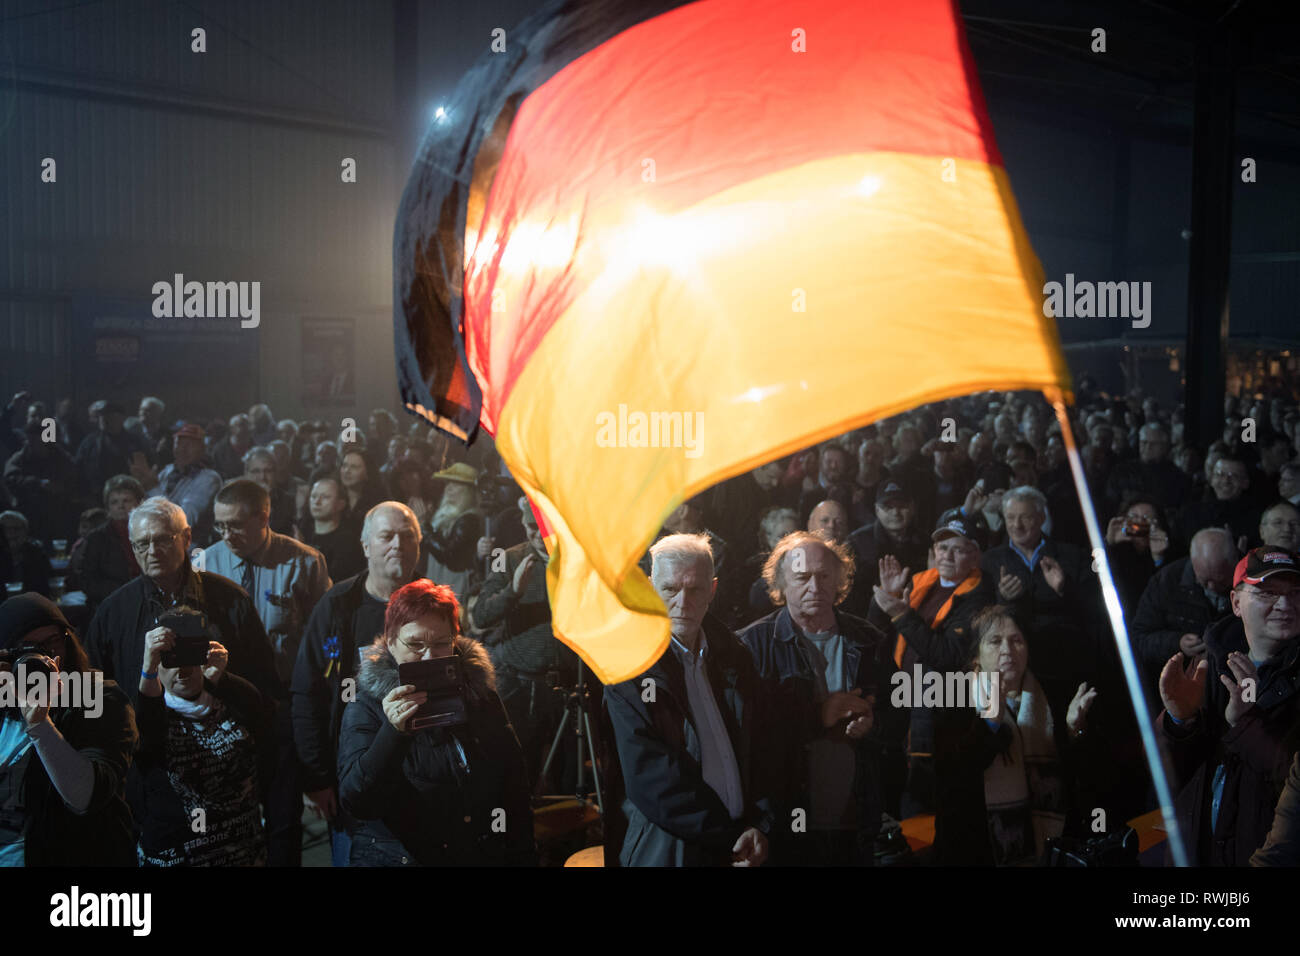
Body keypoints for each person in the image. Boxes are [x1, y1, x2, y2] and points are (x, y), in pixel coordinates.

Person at [338, 579, 535, 865]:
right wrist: (393, 734)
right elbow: (358, 801)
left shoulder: (478, 692)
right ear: (391, 642)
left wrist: (522, 855)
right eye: (416, 644)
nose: (429, 656)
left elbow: (513, 783)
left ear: (455, 640)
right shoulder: (367, 702)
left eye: (441, 644)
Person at [606, 533, 773, 867]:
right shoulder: (629, 669)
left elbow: (762, 747)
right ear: (651, 587)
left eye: (694, 589)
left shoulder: (734, 655)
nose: (683, 602)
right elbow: (653, 780)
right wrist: (728, 835)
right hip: (670, 848)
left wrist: (760, 823)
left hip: (740, 842)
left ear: (712, 590)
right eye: (670, 589)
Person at [739, 531, 899, 864]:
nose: (815, 587)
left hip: (854, 819)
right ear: (781, 584)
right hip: (786, 819)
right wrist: (817, 716)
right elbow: (747, 737)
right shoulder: (750, 647)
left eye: (824, 576)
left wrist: (873, 724)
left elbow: (899, 716)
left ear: (840, 581)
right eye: (802, 577)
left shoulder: (870, 641)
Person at [202, 478, 330, 865]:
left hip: (281, 703)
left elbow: (327, 638)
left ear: (264, 517)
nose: (227, 535)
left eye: (236, 525)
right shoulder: (205, 561)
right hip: (224, 706)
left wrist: (323, 689)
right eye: (220, 525)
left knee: (282, 812)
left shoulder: (305, 562)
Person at [292, 501, 424, 866]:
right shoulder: (337, 607)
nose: (397, 544)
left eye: (407, 535)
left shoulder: (435, 604)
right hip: (354, 776)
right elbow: (307, 692)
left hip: (424, 777)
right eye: (387, 536)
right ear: (366, 546)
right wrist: (316, 778)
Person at [1158, 547, 1300, 865]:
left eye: (1295, 593)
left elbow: (1289, 783)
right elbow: (1166, 777)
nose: (1285, 605)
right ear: (1236, 603)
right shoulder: (1208, 667)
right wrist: (1179, 722)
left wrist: (1246, 725)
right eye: (1267, 593)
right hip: (1198, 850)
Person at [932, 605, 1096, 865]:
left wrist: (1073, 730)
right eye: (995, 642)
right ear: (976, 655)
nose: (1007, 650)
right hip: (978, 850)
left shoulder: (1053, 697)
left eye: (1016, 640)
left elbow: (1078, 781)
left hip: (1051, 848)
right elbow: (951, 783)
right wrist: (989, 726)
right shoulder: (954, 699)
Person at [83, 496, 278, 707]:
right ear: (132, 547)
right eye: (141, 544)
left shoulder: (230, 599)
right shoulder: (114, 611)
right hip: (144, 734)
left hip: (222, 729)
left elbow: (264, 681)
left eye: (163, 540)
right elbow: (90, 690)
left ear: (187, 538)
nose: (152, 551)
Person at [870, 508, 995, 815]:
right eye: (942, 547)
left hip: (942, 714)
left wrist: (900, 613)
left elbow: (947, 656)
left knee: (929, 799)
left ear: (975, 556)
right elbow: (875, 634)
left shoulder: (980, 599)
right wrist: (883, 600)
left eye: (958, 548)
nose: (947, 555)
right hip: (902, 704)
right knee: (899, 790)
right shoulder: (921, 583)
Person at [0, 592, 138, 865]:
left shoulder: (100, 699)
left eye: (52, 642)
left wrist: (40, 723)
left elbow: (86, 797)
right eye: (28, 649)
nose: (45, 658)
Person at [132, 611, 274, 866]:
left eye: (188, 654)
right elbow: (146, 728)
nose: (181, 667)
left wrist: (220, 675)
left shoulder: (231, 697)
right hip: (179, 858)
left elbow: (261, 714)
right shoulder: (151, 714)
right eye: (169, 659)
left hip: (242, 853)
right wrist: (148, 669)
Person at [979, 486, 1098, 708]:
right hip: (1013, 668)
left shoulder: (1071, 556)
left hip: (1064, 662)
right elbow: (981, 618)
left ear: (1041, 517)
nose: (1017, 525)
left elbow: (1096, 610)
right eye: (1011, 518)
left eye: (1025, 517)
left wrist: (1065, 589)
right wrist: (1004, 600)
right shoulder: (990, 561)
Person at [1130, 528, 1238, 710]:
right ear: (1193, 563)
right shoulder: (1165, 582)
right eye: (1205, 580)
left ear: (1235, 562)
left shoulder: (1250, 577)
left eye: (1220, 580)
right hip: (1184, 689)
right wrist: (1176, 643)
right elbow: (1139, 638)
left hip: (1237, 683)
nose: (1212, 587)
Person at [843, 481, 930, 618]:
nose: (896, 512)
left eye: (902, 506)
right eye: (888, 507)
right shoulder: (857, 543)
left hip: (914, 618)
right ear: (877, 510)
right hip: (868, 621)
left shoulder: (925, 543)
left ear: (913, 508)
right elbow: (847, 595)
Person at [4, 412, 78, 545]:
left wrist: (61, 487)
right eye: (31, 439)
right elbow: (10, 478)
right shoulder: (21, 457)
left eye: (37, 439)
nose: (33, 443)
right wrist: (38, 483)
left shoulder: (59, 456)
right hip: (30, 512)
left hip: (57, 513)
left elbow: (74, 476)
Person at [146, 423, 223, 545]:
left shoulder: (209, 478)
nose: (182, 449)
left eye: (189, 445)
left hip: (192, 552)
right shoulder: (167, 471)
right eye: (178, 444)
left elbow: (185, 520)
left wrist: (152, 488)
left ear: (202, 449)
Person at [79, 475, 145, 611]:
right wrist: (125, 593)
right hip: (112, 606)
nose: (121, 506)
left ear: (138, 504)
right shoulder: (96, 538)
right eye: (114, 502)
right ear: (108, 508)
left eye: (126, 500)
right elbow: (88, 582)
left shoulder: (150, 533)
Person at [423, 463, 485, 604]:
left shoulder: (469, 520)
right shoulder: (452, 515)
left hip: (454, 590)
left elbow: (449, 555)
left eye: (456, 485)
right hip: (440, 586)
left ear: (467, 491)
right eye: (448, 484)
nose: (449, 489)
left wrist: (424, 528)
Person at [299, 475, 365, 582]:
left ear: (340, 504)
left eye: (325, 497)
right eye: (314, 496)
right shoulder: (301, 532)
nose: (317, 502)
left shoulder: (347, 542)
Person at [242, 445, 297, 537]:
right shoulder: (235, 500)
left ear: (275, 473)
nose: (262, 477)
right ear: (246, 473)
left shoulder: (288, 501)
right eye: (256, 471)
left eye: (268, 471)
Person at [0, 510, 52, 597]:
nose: (11, 532)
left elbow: (45, 586)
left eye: (16, 528)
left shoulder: (36, 553)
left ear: (25, 531)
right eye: (5, 529)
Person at [339, 449, 384, 527]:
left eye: (354, 467)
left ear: (367, 472)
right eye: (344, 465)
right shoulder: (334, 497)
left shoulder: (379, 504)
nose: (347, 471)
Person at [212, 414, 254, 479]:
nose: (246, 427)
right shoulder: (219, 451)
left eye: (248, 424)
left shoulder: (255, 447)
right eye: (241, 424)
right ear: (232, 429)